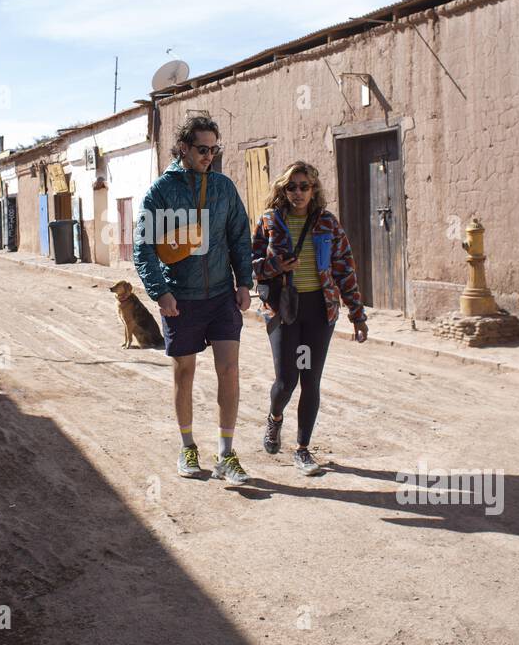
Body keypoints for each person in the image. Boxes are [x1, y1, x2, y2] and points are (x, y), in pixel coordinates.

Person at [134, 115, 254, 485]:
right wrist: (161, 292)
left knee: (229, 371)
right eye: (203, 149)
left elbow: (239, 236)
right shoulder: (160, 192)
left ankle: (226, 453)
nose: (209, 156)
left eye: (214, 149)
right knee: (184, 373)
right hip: (181, 300)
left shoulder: (223, 187)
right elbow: (143, 248)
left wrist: (244, 282)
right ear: (183, 148)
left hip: (220, 295)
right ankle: (187, 446)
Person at [252, 161, 367, 475]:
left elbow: (344, 269)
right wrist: (277, 265)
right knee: (286, 379)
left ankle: (302, 450)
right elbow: (253, 265)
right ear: (283, 190)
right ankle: (275, 419)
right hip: (283, 309)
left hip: (320, 310)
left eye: (304, 186)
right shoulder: (270, 221)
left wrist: (357, 315)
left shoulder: (328, 224)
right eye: (292, 187)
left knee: (310, 380)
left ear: (314, 189)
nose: (298, 192)